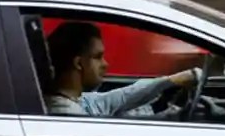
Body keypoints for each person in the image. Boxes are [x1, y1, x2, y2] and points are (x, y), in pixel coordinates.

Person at [44, 21, 200, 119]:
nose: (105, 64)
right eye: (98, 57)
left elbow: (121, 98)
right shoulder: (69, 115)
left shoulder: (79, 99)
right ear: (78, 63)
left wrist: (170, 81)